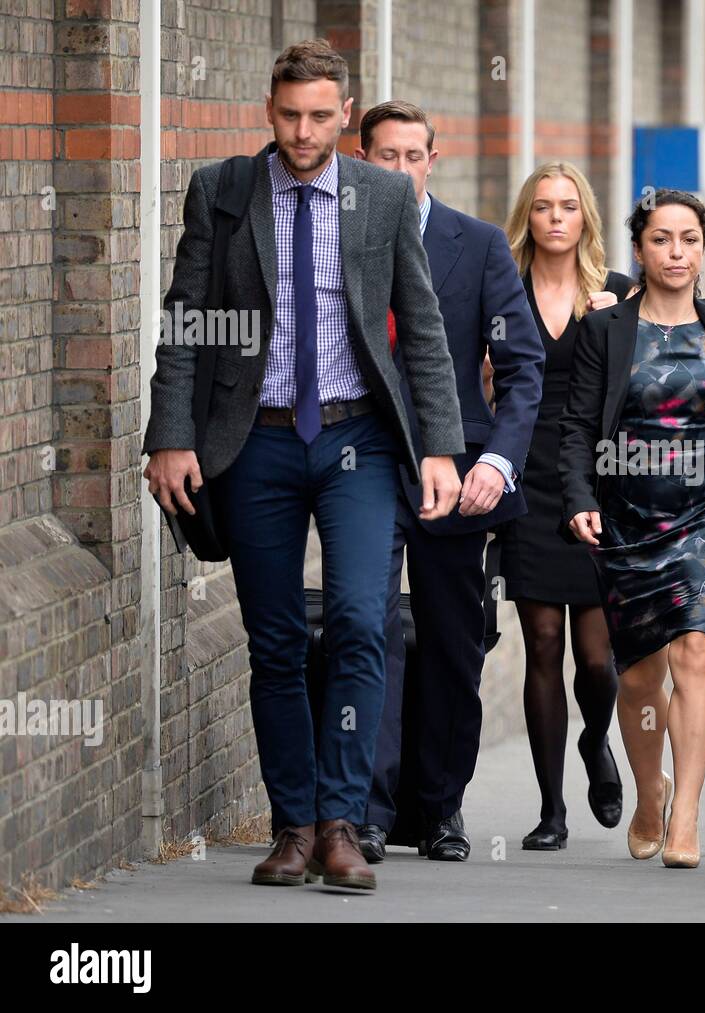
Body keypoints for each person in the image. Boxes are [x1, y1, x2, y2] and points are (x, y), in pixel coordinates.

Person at [142, 40, 464, 891]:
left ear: (345, 114)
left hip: (357, 440)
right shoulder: (223, 190)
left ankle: (342, 823)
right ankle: (291, 824)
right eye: (289, 114)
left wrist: (439, 447)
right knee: (276, 639)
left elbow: (421, 328)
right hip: (258, 441)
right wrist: (170, 434)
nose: (303, 130)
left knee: (362, 619)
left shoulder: (385, 194)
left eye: (320, 115)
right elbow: (186, 322)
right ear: (268, 108)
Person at [354, 101, 545, 864]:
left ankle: (439, 809)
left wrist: (497, 463)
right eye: (384, 156)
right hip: (362, 460)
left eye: (412, 156)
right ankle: (366, 811)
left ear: (434, 160)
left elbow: (523, 366)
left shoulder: (481, 244)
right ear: (360, 157)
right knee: (368, 630)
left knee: (450, 642)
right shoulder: (339, 237)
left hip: (459, 467)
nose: (398, 169)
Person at [559, 190, 705, 868]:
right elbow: (579, 424)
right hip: (626, 520)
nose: (677, 252)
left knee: (695, 654)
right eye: (661, 240)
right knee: (641, 677)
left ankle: (687, 815)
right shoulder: (607, 329)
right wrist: (579, 496)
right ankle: (651, 794)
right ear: (639, 249)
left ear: (703, 248)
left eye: (689, 239)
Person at [497, 163, 631, 851]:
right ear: (529, 215)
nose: (555, 217)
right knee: (543, 642)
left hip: (598, 483)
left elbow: (654, 383)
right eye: (543, 206)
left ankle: (596, 737)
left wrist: (624, 331)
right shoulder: (504, 290)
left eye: (568, 206)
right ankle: (551, 808)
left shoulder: (617, 294)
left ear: (586, 219)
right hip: (525, 477)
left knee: (597, 653)